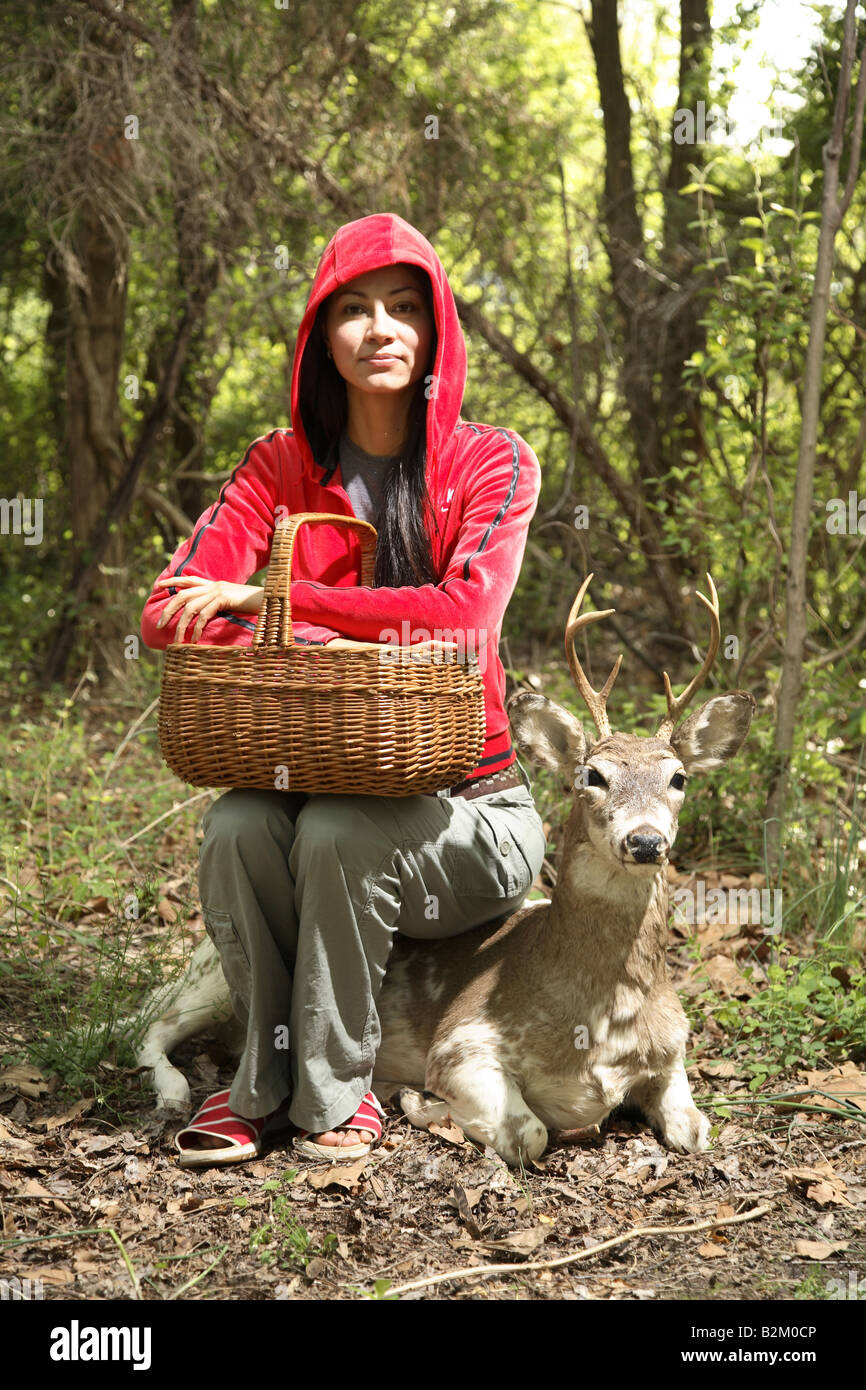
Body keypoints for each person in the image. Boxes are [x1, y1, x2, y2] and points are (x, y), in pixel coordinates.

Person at [141, 212, 546, 1165]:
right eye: (355, 310)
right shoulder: (277, 469)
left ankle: (336, 1095)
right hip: (302, 781)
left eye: (405, 308)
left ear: (435, 327)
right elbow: (168, 612)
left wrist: (285, 603)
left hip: (473, 809)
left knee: (339, 828)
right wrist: (302, 612)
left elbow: (463, 618)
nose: (382, 329)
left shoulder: (492, 461)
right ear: (322, 337)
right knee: (240, 822)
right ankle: (260, 1084)